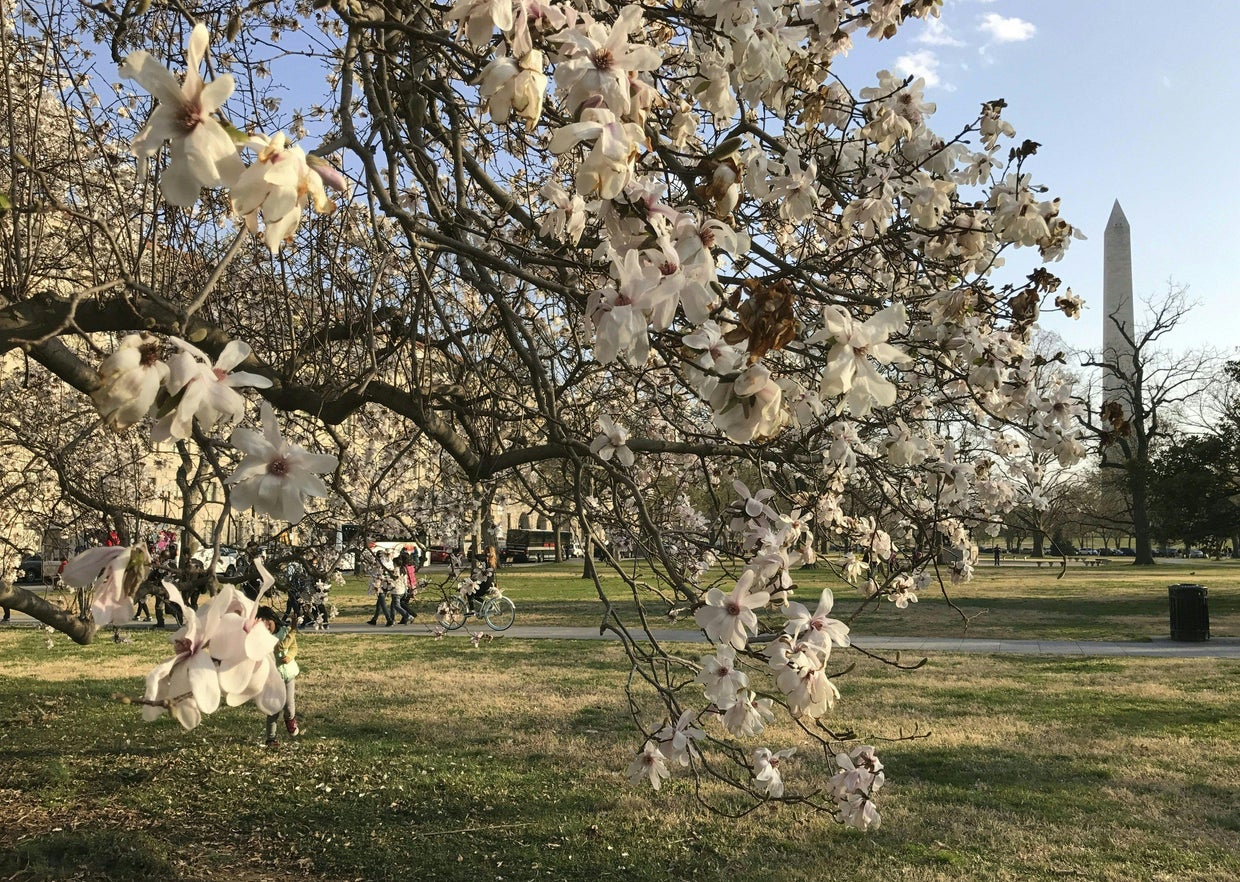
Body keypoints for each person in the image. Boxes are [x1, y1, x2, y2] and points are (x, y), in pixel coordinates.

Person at [256, 606, 301, 747]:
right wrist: (293, 630)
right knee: (273, 708)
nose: (266, 627)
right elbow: (280, 646)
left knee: (288, 705)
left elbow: (293, 646)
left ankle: (290, 719)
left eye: (267, 623)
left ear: (273, 620)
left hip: (288, 674)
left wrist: (290, 656)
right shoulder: (264, 639)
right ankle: (271, 738)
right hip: (272, 678)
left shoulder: (284, 631)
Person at [366, 549, 394, 626]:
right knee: (379, 603)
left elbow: (375, 574)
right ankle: (374, 619)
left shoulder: (378, 564)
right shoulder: (389, 562)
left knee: (382, 602)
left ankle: (389, 619)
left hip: (380, 584)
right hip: (387, 583)